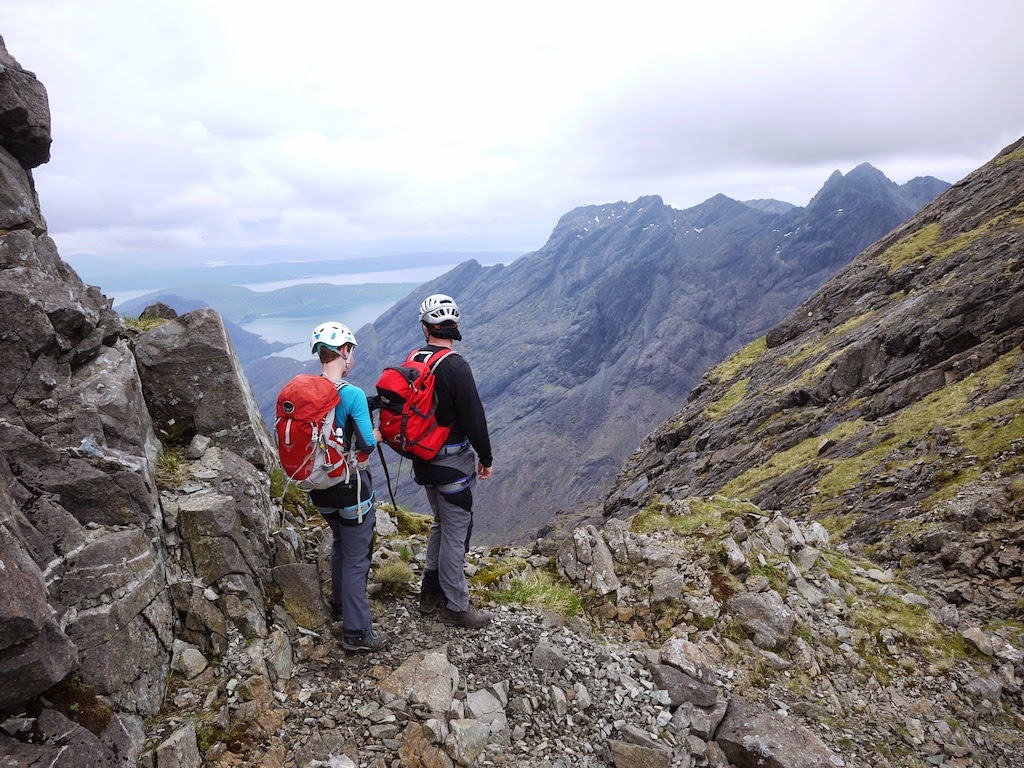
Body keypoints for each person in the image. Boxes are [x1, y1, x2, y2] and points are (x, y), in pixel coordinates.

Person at [412, 294, 494, 629]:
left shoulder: (416, 358)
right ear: (455, 326)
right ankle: (457, 606)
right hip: (453, 463)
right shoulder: (456, 366)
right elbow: (475, 419)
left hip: (424, 460)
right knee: (457, 531)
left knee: (440, 524)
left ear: (425, 328)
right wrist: (485, 458)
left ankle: (429, 593)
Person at [307, 321, 389, 652]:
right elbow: (367, 443)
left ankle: (340, 605)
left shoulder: (308, 389)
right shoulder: (352, 394)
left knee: (341, 541)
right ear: (344, 351)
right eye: (350, 350)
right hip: (349, 485)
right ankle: (356, 633)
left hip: (318, 487)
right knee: (358, 557)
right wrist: (378, 435)